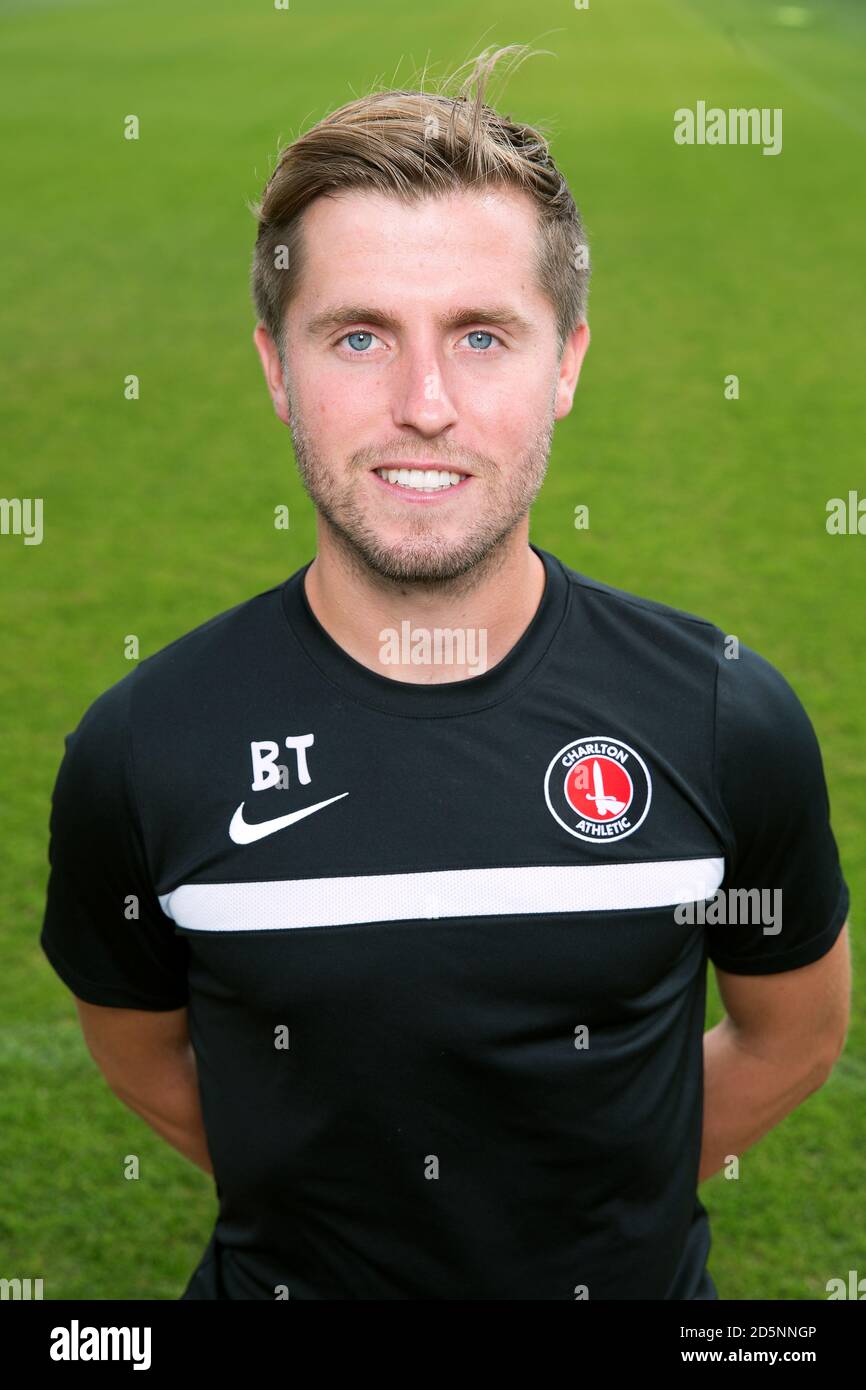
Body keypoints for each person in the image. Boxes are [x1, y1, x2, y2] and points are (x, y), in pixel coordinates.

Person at [40, 45, 850, 1300]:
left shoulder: (720, 714)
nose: (424, 403)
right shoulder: (145, 747)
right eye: (358, 336)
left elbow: (790, 1032)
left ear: (565, 362)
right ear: (274, 368)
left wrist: (583, 1206)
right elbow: (141, 1049)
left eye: (481, 335)